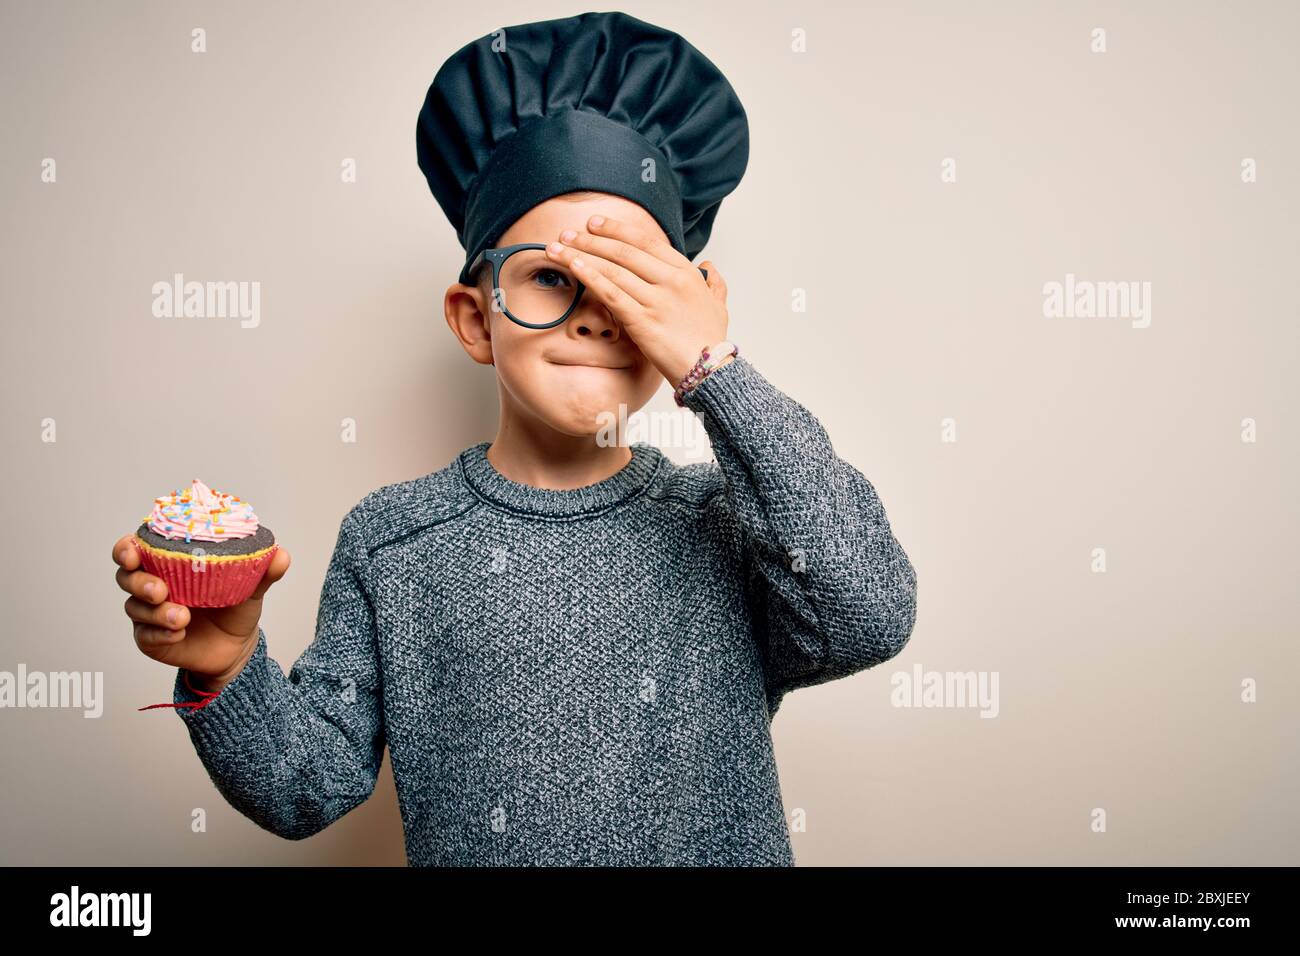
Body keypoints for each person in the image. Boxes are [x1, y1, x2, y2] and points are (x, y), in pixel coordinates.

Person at [113, 11, 918, 866]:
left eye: (633, 284)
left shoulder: (729, 522)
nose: (596, 320)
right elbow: (306, 784)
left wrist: (714, 368)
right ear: (474, 318)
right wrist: (225, 669)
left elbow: (869, 610)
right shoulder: (392, 542)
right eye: (550, 278)